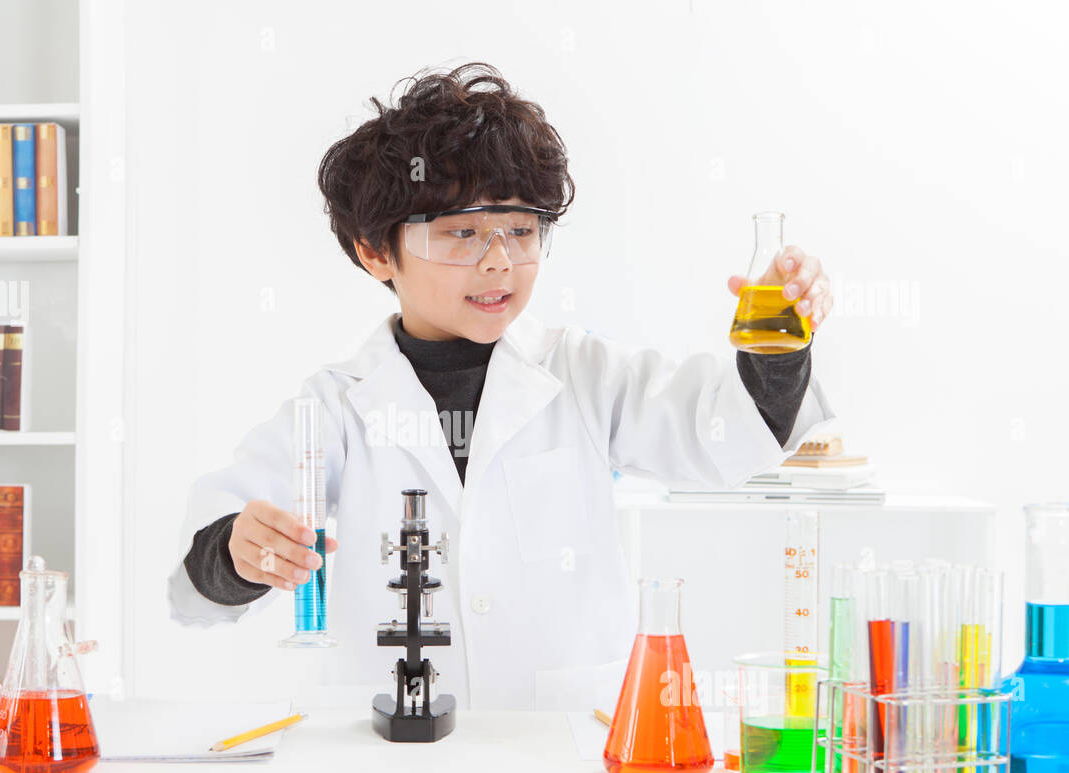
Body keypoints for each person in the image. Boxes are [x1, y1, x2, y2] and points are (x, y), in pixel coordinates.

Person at [168, 62, 836, 710]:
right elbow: (200, 575)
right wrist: (239, 552)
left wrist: (778, 343)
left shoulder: (583, 376)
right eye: (461, 232)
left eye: (520, 230)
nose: (498, 260)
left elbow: (732, 437)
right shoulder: (337, 404)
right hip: (391, 768)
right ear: (373, 251)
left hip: (561, 752)